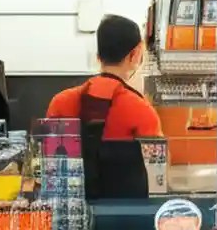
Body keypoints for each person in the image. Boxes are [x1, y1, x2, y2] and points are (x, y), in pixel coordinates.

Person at [46, 15, 161, 198]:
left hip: (72, 215)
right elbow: (157, 174)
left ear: (98, 56)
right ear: (136, 53)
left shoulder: (60, 102)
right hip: (125, 219)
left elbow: (50, 170)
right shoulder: (141, 110)